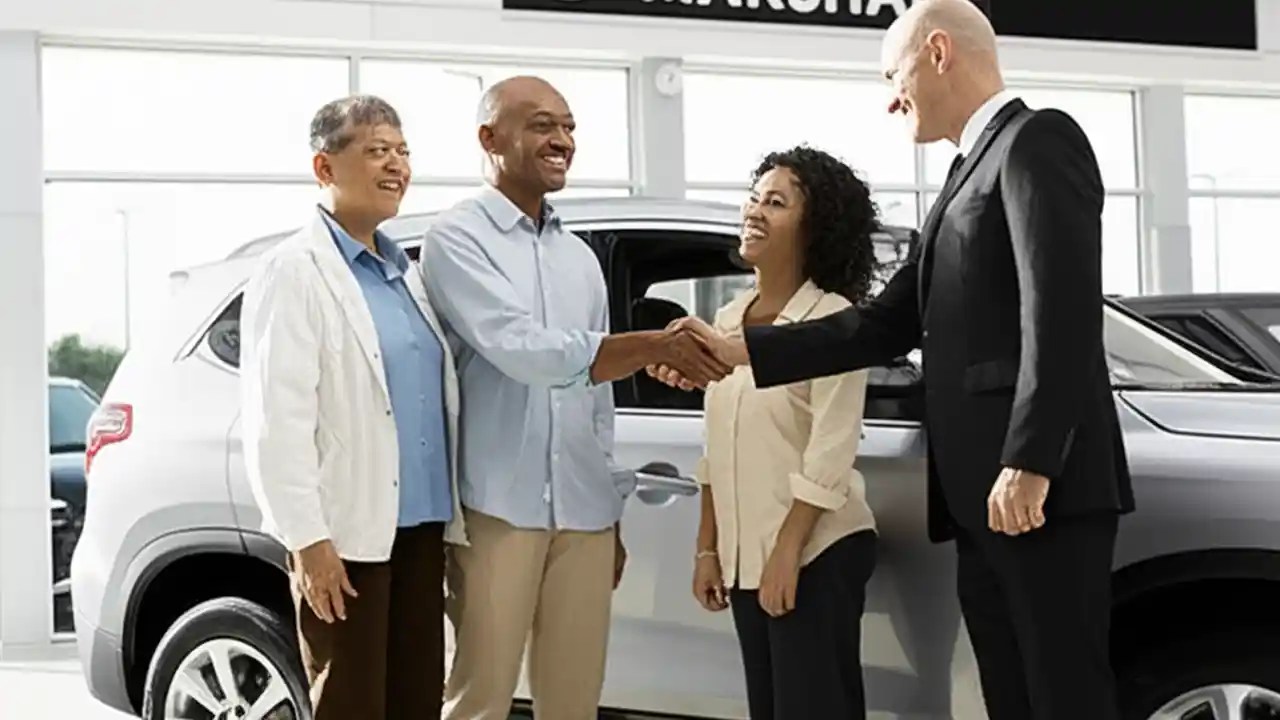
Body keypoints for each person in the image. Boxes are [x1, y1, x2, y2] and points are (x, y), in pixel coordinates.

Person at [653, 1, 1136, 718]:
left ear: (937, 51)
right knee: (1012, 695)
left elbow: (1060, 313)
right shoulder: (965, 173)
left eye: (894, 73)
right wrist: (738, 350)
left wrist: (1032, 460)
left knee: (1064, 695)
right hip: (983, 499)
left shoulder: (1036, 141)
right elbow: (882, 327)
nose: (891, 97)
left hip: (1039, 492)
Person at [417, 75, 728, 720]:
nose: (561, 140)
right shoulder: (457, 238)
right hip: (497, 510)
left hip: (583, 515)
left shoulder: (579, 259)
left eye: (568, 127)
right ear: (489, 138)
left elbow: (597, 404)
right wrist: (651, 346)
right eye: (541, 125)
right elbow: (523, 350)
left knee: (575, 702)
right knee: (480, 698)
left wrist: (609, 510)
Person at [239, 94, 466, 720]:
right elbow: (275, 422)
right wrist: (308, 542)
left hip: (420, 529)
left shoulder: (404, 274)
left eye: (401, 151)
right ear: (325, 167)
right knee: (351, 704)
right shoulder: (294, 272)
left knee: (417, 700)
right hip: (346, 537)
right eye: (376, 151)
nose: (396, 165)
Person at [690, 146, 881, 720]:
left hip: (816, 550)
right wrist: (707, 549)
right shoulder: (728, 319)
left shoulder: (833, 320)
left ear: (815, 226)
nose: (755, 211)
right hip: (748, 558)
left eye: (776, 202)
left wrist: (787, 554)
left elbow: (831, 450)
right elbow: (715, 448)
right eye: (753, 198)